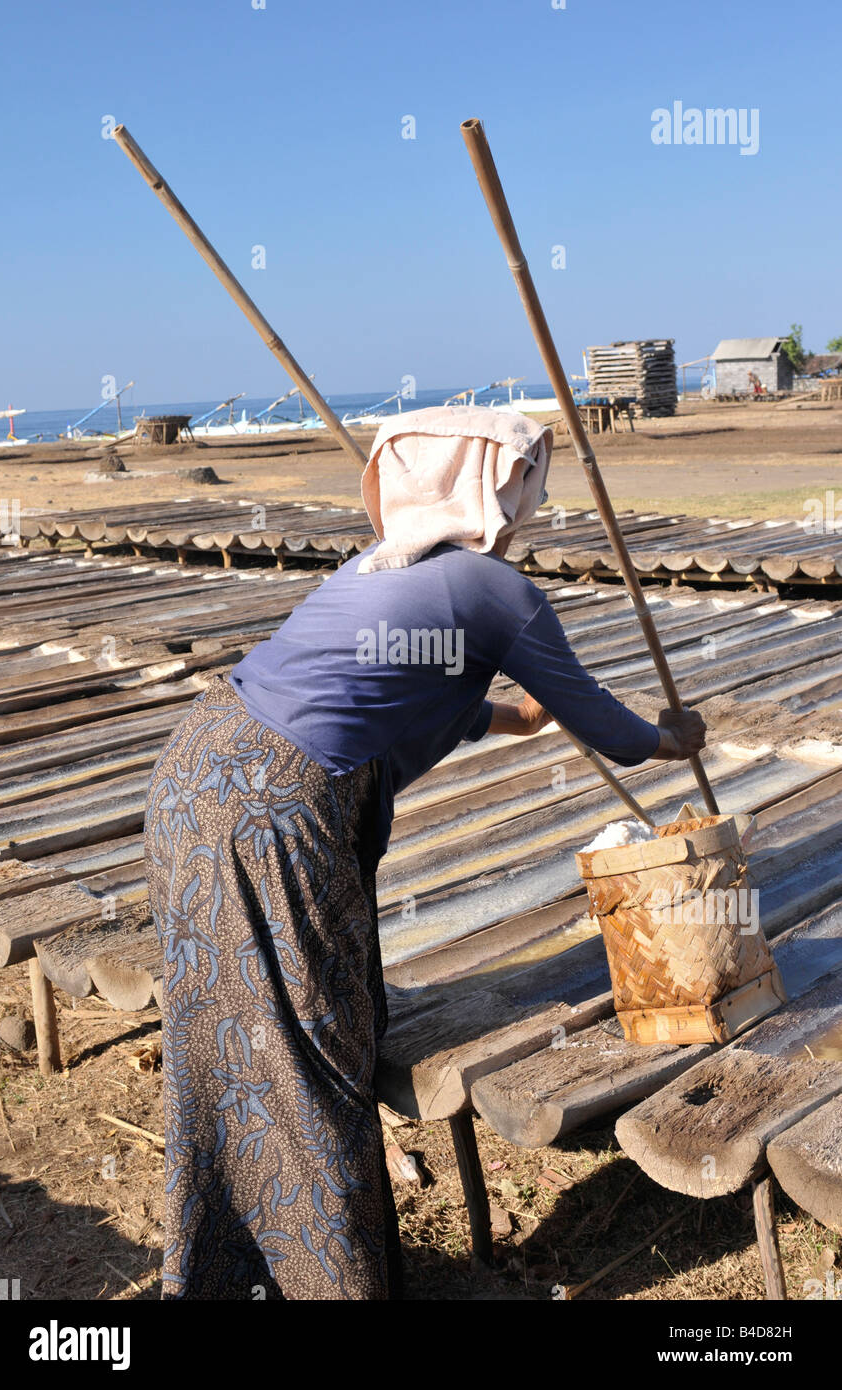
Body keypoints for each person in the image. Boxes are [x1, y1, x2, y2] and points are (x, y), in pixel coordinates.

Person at [144, 406, 705, 1301]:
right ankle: (323, 1284)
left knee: (233, 1033)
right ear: (492, 488)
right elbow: (608, 727)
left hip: (194, 776)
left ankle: (227, 1276)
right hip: (273, 810)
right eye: (528, 482)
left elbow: (407, 689)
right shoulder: (492, 588)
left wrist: (528, 714)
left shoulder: (375, 569)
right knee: (305, 1047)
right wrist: (669, 737)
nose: (535, 501)